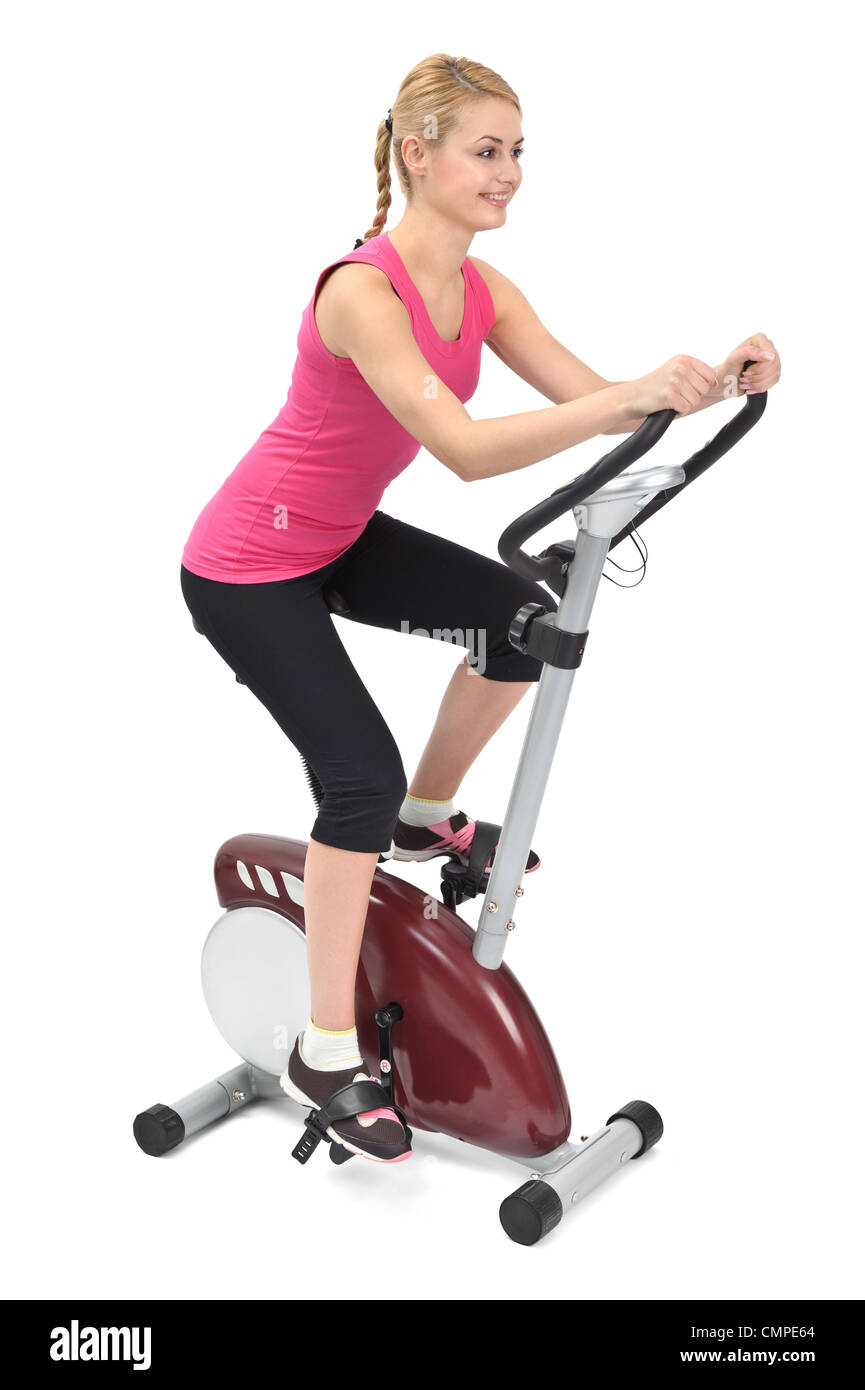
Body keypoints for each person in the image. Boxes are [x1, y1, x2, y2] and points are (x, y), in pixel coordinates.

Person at [179, 53, 781, 1164]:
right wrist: (632, 393)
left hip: (341, 536)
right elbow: (459, 451)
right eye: (486, 151)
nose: (508, 174)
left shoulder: (491, 293)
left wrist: (704, 383)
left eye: (517, 153)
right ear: (419, 155)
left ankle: (424, 810)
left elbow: (595, 405)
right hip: (247, 564)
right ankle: (323, 1045)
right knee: (347, 772)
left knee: (517, 627)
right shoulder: (360, 291)